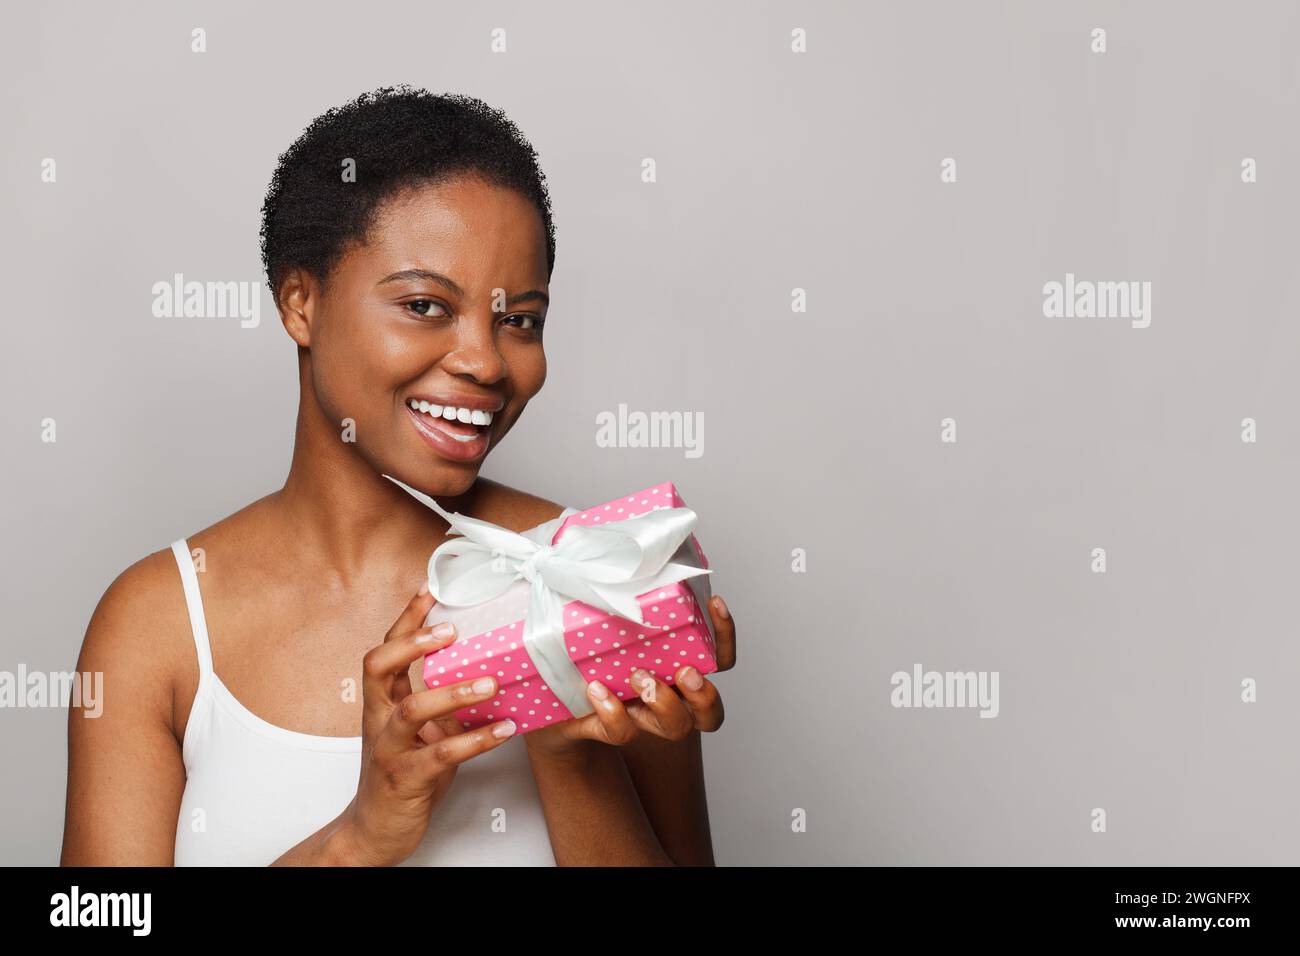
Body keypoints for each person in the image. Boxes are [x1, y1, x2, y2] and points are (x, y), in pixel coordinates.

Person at [60, 87, 737, 866]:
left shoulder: (595, 572)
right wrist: (359, 839)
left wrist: (568, 749)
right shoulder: (157, 625)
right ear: (299, 302)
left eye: (519, 319)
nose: (485, 361)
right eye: (424, 304)